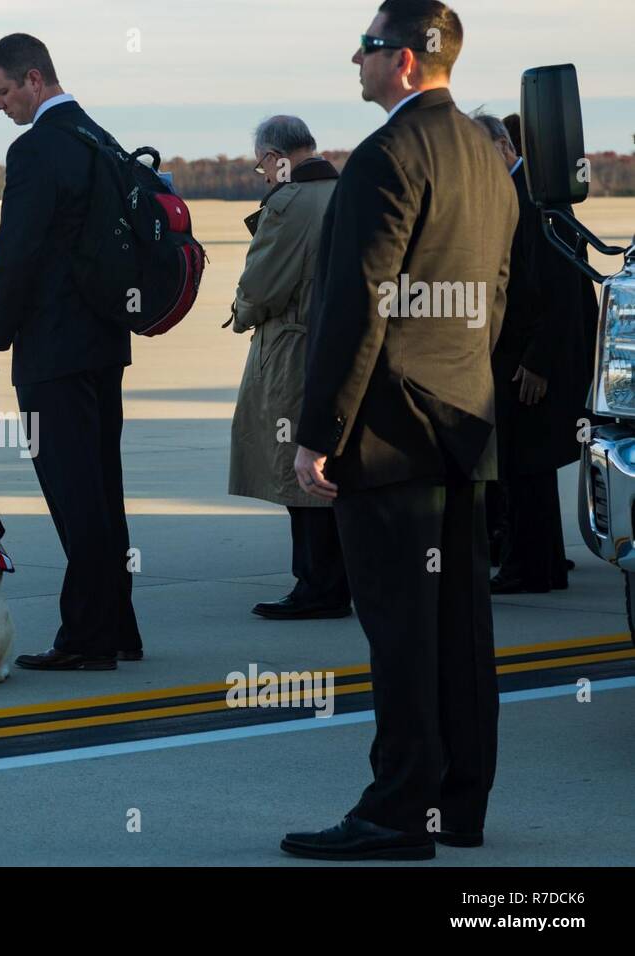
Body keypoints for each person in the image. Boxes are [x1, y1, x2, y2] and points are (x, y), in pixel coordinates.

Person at [283, 0, 517, 860]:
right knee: (461, 627)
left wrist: (321, 432)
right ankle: (458, 804)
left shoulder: (387, 155)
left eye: (369, 46)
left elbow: (357, 309)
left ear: (408, 63)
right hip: (463, 420)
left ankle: (397, 811)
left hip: (390, 433)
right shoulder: (486, 156)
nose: (356, 59)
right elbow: (493, 293)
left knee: (402, 634)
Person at [0, 33, 141, 671]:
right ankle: (119, 626)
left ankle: (86, 639)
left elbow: (17, 252)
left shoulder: (38, 148)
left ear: (34, 79)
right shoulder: (99, 138)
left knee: (75, 496)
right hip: (103, 343)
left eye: (3, 91)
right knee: (103, 489)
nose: (0, 106)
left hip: (54, 350)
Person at [227, 115, 351, 620]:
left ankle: (316, 586)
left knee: (296, 469)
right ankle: (337, 579)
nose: (263, 175)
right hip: (343, 346)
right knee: (333, 466)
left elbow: (261, 287)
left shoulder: (289, 204)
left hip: (293, 351)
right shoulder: (347, 192)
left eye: (263, 165)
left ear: (279, 157)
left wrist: (240, 315)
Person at [471, 111, 598, 593]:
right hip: (523, 352)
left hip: (531, 357)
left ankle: (531, 567)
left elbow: (562, 289)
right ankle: (540, 560)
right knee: (526, 463)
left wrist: (538, 362)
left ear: (504, 148)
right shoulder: (521, 193)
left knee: (526, 462)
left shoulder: (535, 200)